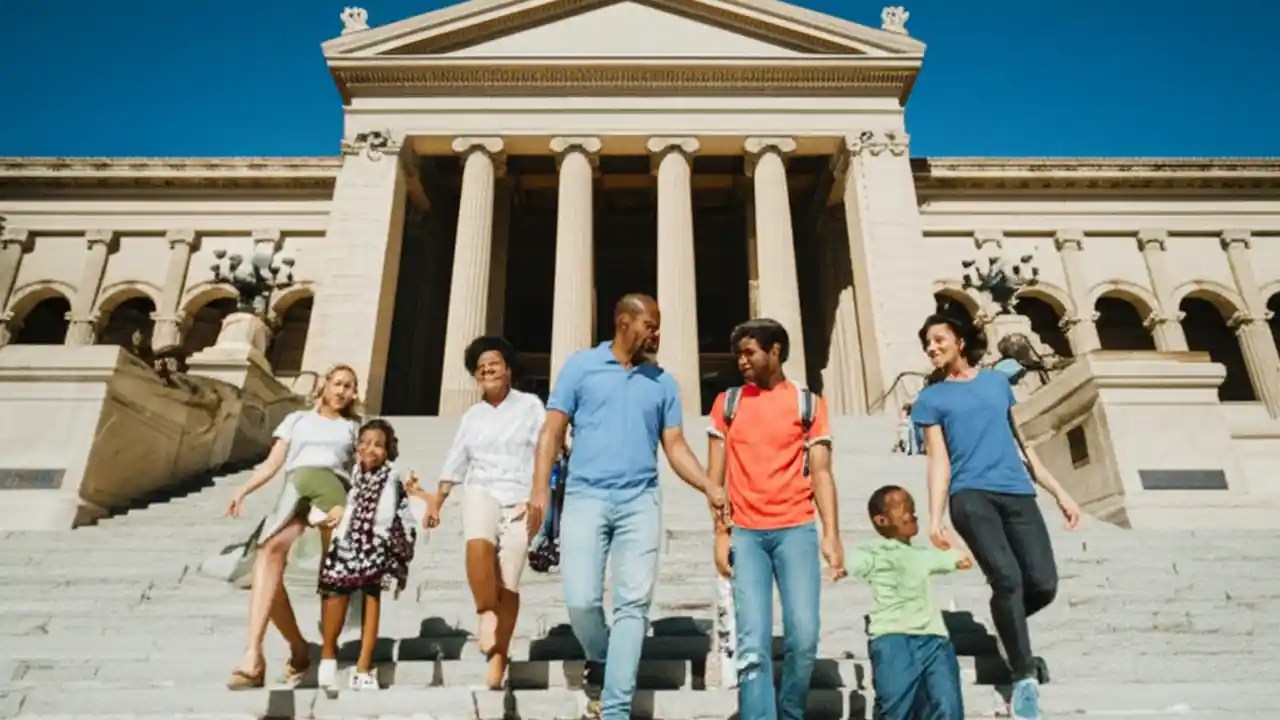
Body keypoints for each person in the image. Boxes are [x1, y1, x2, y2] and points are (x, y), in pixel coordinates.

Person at [527, 293, 728, 720]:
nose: (656, 333)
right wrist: (539, 491)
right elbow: (551, 432)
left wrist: (709, 485)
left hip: (640, 500)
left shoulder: (663, 383)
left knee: (633, 605)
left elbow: (674, 446)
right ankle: (601, 656)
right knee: (580, 599)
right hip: (585, 496)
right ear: (623, 322)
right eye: (650, 324)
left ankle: (615, 708)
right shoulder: (580, 367)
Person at [910, 314, 1082, 720]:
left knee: (1042, 583)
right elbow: (938, 461)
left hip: (1018, 492)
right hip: (971, 497)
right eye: (927, 344)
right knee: (1006, 578)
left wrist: (1060, 492)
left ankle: (1007, 626)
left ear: (961, 341)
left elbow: (1022, 445)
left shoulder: (996, 384)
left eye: (938, 340)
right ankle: (1023, 678)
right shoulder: (930, 399)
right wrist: (935, 519)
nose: (932, 348)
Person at [708, 318, 845, 720]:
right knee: (752, 643)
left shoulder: (808, 404)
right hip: (747, 535)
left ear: (776, 352)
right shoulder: (727, 404)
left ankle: (790, 710)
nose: (742, 361)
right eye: (739, 355)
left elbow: (821, 472)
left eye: (750, 353)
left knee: (803, 637)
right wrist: (721, 533)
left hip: (796, 529)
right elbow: (715, 481)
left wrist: (831, 534)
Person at [407, 336, 544, 690]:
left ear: (508, 369)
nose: (487, 369)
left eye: (493, 363)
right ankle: (485, 612)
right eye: (480, 367)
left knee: (510, 578)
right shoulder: (473, 415)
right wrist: (437, 498)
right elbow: (457, 458)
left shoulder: (530, 406)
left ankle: (500, 654)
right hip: (481, 486)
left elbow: (549, 447)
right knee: (477, 543)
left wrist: (543, 495)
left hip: (519, 495)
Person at [225, 364, 362, 689]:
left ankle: (323, 647)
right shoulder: (296, 420)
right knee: (268, 552)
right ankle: (256, 654)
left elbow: (359, 474)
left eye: (349, 386)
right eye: (338, 383)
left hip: (333, 496)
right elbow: (273, 463)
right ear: (324, 385)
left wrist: (351, 508)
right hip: (296, 490)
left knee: (335, 575)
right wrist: (243, 489)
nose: (342, 391)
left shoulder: (354, 427)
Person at [849, 485, 972, 720]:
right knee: (895, 711)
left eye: (912, 507)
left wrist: (946, 539)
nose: (911, 513)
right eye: (901, 507)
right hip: (892, 638)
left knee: (949, 708)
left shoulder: (924, 554)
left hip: (934, 640)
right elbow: (845, 566)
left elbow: (965, 560)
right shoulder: (870, 551)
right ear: (882, 520)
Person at [314, 418, 416, 694]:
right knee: (335, 595)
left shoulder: (392, 475)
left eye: (379, 445)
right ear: (357, 446)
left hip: (374, 544)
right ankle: (327, 655)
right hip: (345, 542)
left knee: (372, 599)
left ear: (388, 451)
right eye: (366, 443)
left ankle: (363, 665)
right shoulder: (348, 473)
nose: (371, 449)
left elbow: (401, 507)